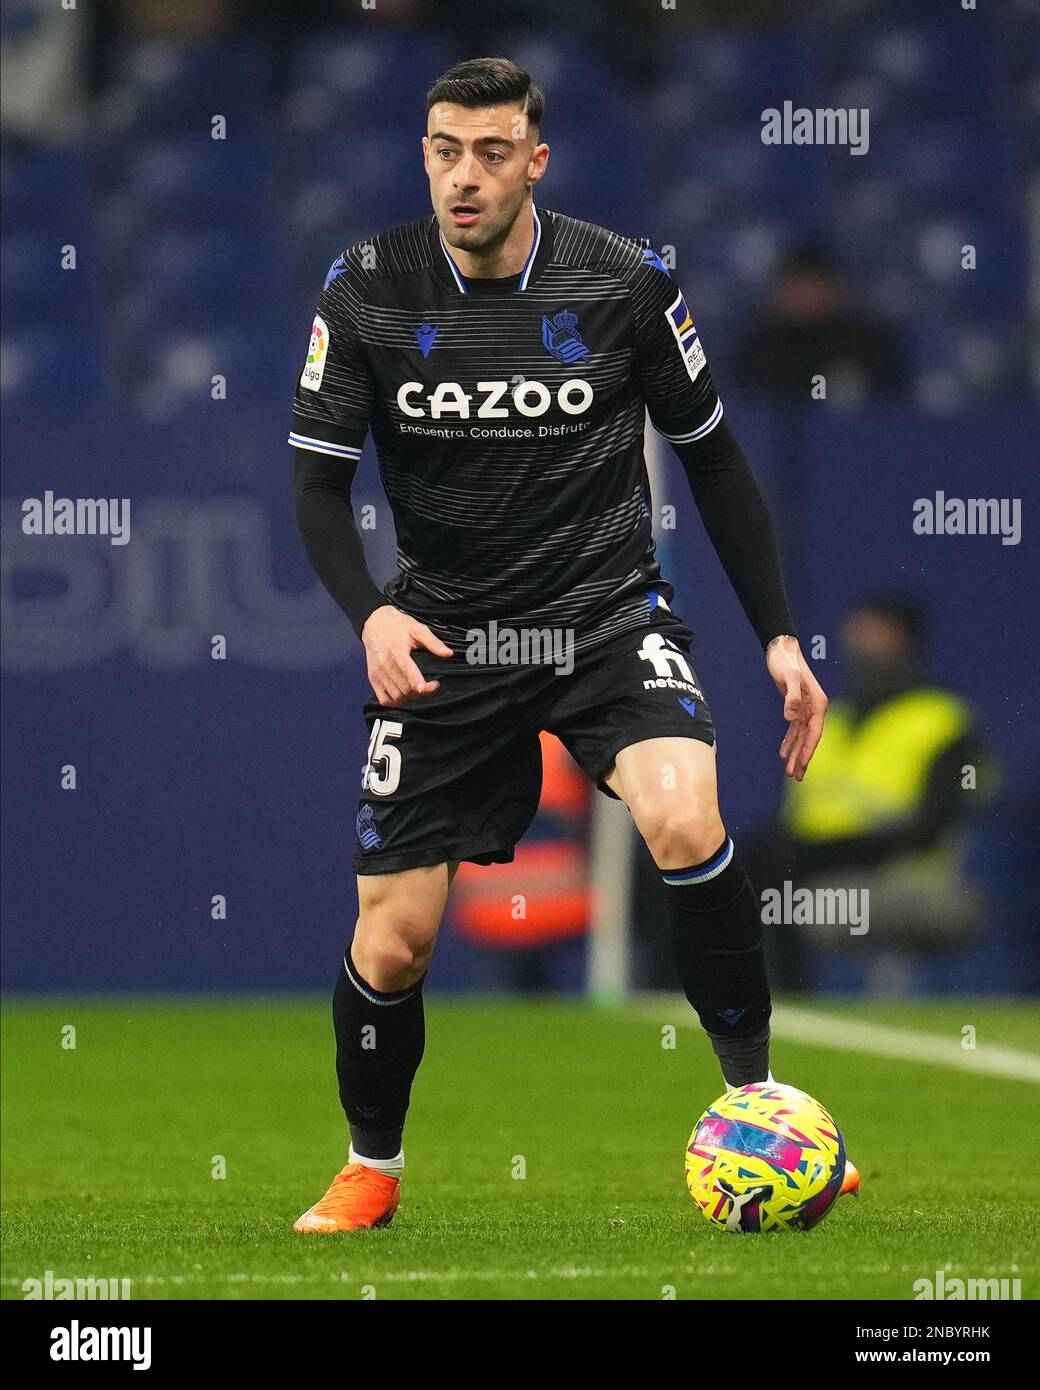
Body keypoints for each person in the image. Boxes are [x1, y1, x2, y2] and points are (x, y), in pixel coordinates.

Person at [289, 57, 850, 1233]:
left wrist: (779, 639)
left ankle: (760, 1109)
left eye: (490, 152)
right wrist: (371, 613)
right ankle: (370, 1168)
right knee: (391, 941)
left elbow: (714, 460)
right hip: (446, 635)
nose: (463, 174)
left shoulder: (624, 284)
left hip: (603, 616)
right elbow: (315, 487)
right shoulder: (367, 289)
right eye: (444, 149)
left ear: (534, 159)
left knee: (686, 816)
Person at [748, 595, 989, 992]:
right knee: (746, 876)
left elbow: (928, 829)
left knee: (794, 900)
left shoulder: (943, 720)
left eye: (877, 636)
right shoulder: (833, 720)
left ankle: (792, 998)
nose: (862, 649)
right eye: (857, 636)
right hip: (820, 873)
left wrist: (819, 853)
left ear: (906, 642)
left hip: (912, 879)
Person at [734, 243, 907, 405]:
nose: (805, 295)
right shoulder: (759, 349)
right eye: (797, 285)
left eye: (814, 284)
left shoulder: (866, 345)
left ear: (833, 289)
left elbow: (888, 408)